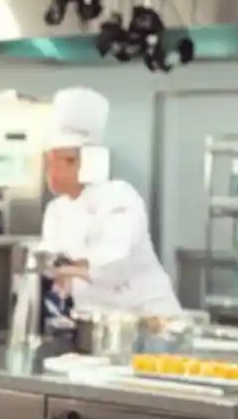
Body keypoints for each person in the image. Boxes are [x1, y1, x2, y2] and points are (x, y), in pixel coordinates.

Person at [40, 87, 180, 315]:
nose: (50, 171)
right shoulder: (56, 211)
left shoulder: (120, 197)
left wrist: (65, 268)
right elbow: (50, 265)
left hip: (148, 319)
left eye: (58, 162)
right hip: (98, 321)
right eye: (49, 162)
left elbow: (114, 266)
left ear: (81, 162)